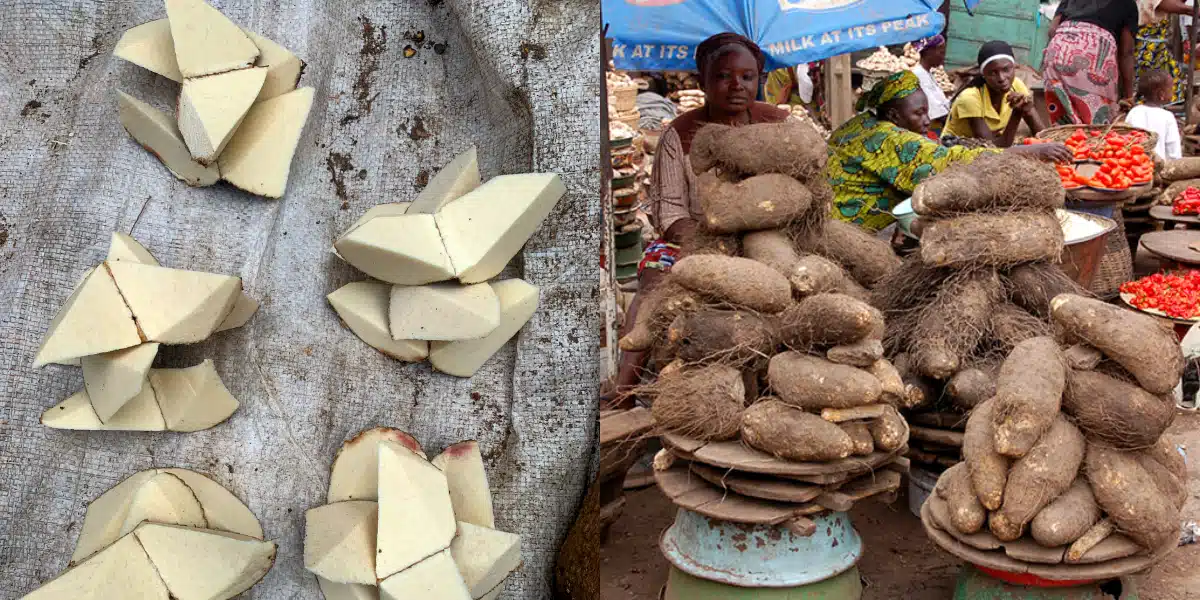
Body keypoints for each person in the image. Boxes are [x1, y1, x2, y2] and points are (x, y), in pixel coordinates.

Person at [605, 33, 791, 406]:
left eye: (747, 77)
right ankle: (626, 387)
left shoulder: (778, 124)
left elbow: (798, 190)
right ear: (703, 81)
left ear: (759, 80)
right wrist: (708, 241)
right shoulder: (680, 133)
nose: (737, 86)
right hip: (692, 237)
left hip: (770, 235)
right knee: (655, 278)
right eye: (724, 76)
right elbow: (669, 209)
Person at [828, 71, 1072, 231]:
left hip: (833, 214)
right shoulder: (888, 138)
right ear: (893, 115)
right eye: (918, 113)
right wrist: (1028, 152)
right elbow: (951, 163)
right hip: (853, 228)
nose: (927, 119)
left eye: (926, 110)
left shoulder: (859, 123)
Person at [1043, 0, 1139, 125]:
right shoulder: (1128, 4)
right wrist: (1129, 97)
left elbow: (1052, 30)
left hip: (1057, 51)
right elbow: (1126, 53)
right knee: (1093, 126)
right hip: (1093, 57)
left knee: (1061, 122)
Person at [942, 41, 1046, 147]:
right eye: (993, 73)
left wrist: (1028, 110)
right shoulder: (970, 98)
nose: (1001, 78)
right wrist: (1017, 113)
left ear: (1014, 68)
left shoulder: (1016, 85)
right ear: (983, 75)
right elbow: (993, 149)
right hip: (956, 149)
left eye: (1006, 69)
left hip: (991, 145)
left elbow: (1044, 137)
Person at [1136, 0, 1193, 104]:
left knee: (1170, 82)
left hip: (1158, 47)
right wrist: (1191, 10)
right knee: (1149, 85)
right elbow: (1162, 3)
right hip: (1145, 48)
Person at [1126, 69, 1183, 159]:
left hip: (1135, 165)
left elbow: (1126, 139)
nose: (1173, 91)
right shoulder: (1167, 116)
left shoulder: (1134, 112)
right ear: (1161, 94)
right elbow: (1174, 153)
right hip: (1158, 169)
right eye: (1171, 88)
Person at [910, 35, 952, 135]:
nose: (943, 56)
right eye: (941, 52)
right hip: (930, 131)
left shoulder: (928, 74)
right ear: (929, 52)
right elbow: (937, 112)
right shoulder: (919, 75)